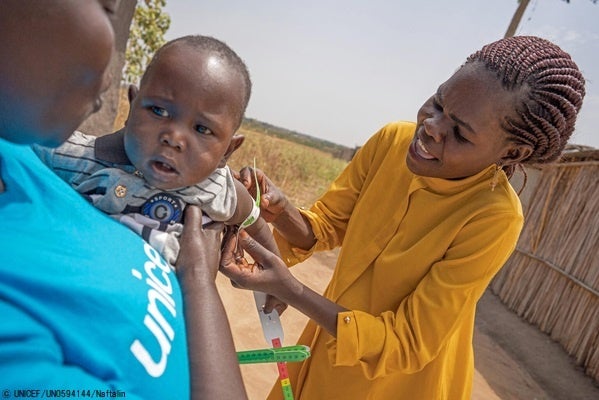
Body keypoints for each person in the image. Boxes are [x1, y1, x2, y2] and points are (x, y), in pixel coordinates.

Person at [219, 35, 586, 400]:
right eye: (438, 103)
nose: (432, 126)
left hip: (396, 385)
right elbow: (326, 227)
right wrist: (281, 213)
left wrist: (291, 290)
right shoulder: (392, 143)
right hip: (325, 354)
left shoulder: (494, 216)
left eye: (459, 133)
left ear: (512, 151)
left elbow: (407, 343)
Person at [0, 1, 247, 399]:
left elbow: (246, 205)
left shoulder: (20, 155)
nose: (174, 137)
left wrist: (265, 222)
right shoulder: (69, 160)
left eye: (202, 129)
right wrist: (199, 280)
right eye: (105, 4)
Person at [34, 35, 277, 267]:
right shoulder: (82, 158)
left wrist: (273, 272)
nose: (174, 138)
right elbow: (20, 147)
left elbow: (254, 221)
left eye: (202, 129)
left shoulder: (218, 187)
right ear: (132, 107)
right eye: (159, 111)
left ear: (227, 151)